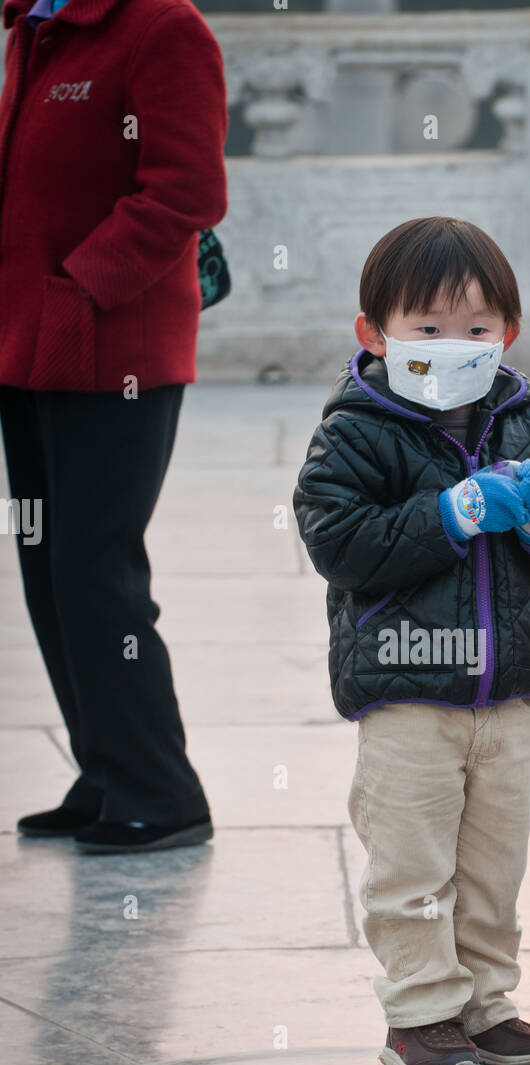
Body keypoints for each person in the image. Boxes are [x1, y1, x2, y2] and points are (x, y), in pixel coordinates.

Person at [293, 216, 530, 1065]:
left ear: (507, 333)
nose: (454, 346)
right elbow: (339, 541)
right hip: (405, 695)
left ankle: (486, 1005)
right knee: (412, 865)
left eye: (475, 329)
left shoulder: (529, 422)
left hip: (509, 696)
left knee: (492, 867)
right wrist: (451, 513)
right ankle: (422, 1012)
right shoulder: (356, 430)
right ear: (375, 334)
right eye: (426, 329)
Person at [0, 0, 228, 853]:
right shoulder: (33, 28)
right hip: (26, 352)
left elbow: (188, 191)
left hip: (117, 357)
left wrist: (81, 286)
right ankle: (104, 772)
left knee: (98, 575)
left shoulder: (163, 27)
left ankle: (160, 792)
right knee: (50, 575)